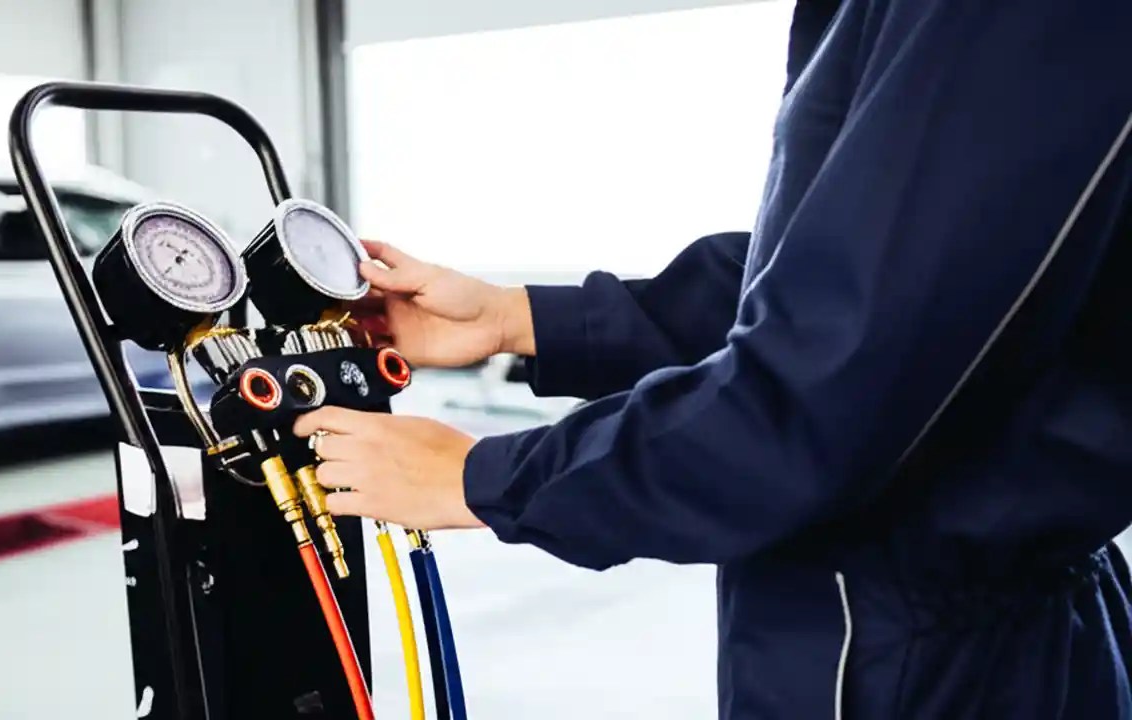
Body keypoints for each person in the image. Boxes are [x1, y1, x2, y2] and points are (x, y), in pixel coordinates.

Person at [295, 1, 1132, 717]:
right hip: (884, 630)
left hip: (926, 660)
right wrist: (518, 317)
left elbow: (827, 389)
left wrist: (483, 477)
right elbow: (839, 275)